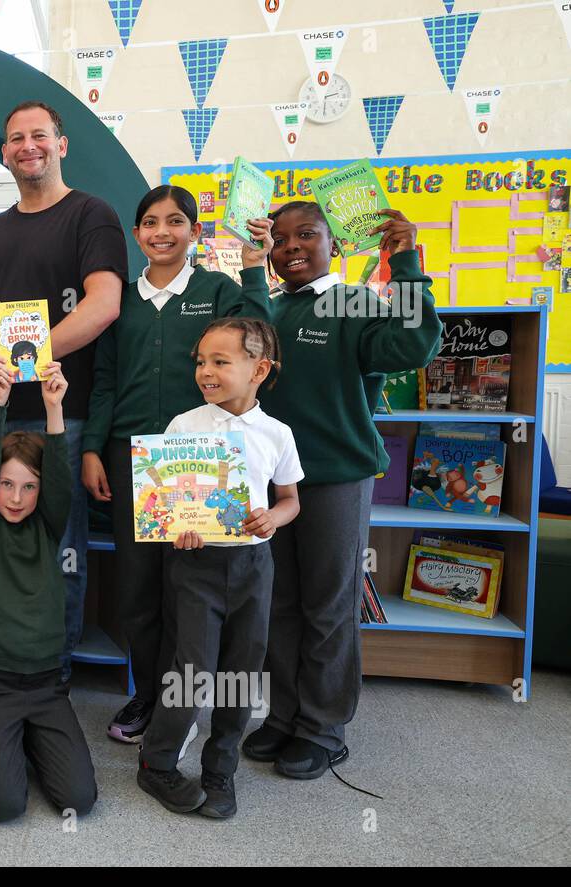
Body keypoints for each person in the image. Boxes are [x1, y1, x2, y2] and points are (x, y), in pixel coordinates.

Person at [244, 203, 441, 779]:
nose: (292, 246)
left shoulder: (355, 303)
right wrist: (253, 272)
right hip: (271, 481)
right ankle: (283, 716)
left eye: (307, 234)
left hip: (334, 477)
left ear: (336, 243)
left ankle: (322, 728)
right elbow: (246, 351)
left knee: (328, 605)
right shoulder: (273, 307)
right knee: (277, 602)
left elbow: (413, 349)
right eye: (280, 239)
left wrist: (405, 260)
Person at [80, 185, 272, 745]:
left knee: (194, 586)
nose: (161, 232)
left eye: (175, 221)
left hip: (206, 461)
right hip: (132, 458)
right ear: (136, 234)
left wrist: (255, 269)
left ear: (194, 231)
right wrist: (94, 447)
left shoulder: (216, 289)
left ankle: (184, 704)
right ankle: (150, 696)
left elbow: (257, 341)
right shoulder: (120, 299)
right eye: (149, 223)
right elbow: (106, 380)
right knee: (138, 587)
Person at [0, 101, 127, 680]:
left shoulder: (92, 215)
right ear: (5, 153)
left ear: (61, 144)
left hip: (57, 417)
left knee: (59, 554)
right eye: (16, 137)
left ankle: (53, 675)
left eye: (40, 135)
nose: (29, 146)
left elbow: (103, 306)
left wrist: (29, 359)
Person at [136, 319, 302, 819]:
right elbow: (160, 502)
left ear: (260, 369)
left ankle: (220, 769)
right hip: (195, 565)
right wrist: (174, 528)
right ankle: (158, 762)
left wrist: (273, 516)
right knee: (191, 671)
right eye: (201, 362)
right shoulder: (185, 426)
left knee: (241, 672)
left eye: (220, 362)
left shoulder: (277, 433)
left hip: (252, 565)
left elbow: (291, 499)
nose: (206, 372)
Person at [0, 357, 97, 822]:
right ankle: (7, 740)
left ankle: (34, 741)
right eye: (6, 485)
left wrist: (53, 408)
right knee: (3, 806)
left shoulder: (48, 525)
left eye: (28, 487)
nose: (15, 498)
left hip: (45, 685)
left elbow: (60, 476)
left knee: (79, 800)